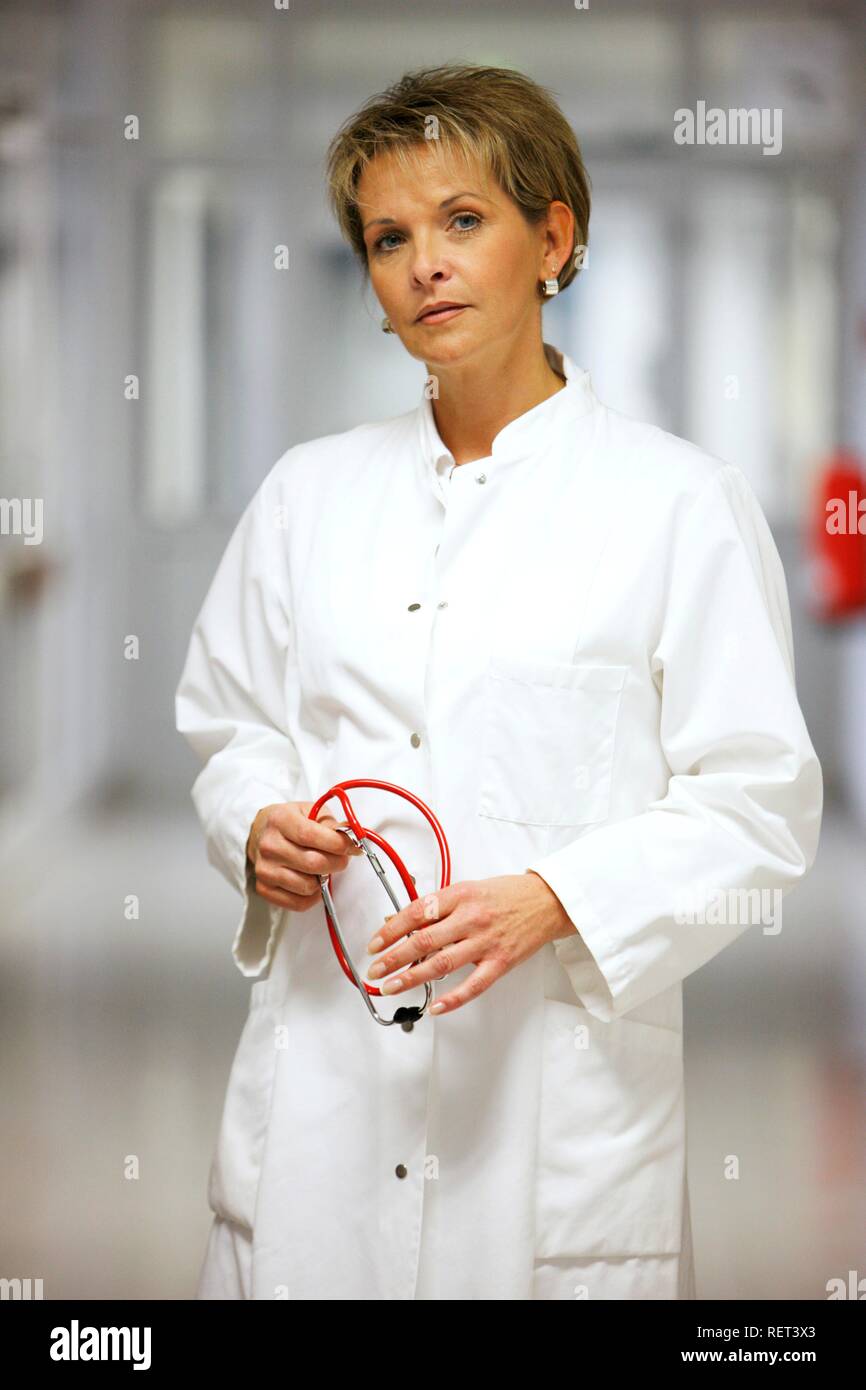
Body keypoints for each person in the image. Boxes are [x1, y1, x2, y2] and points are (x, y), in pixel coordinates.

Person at [175, 64, 823, 1300]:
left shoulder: (673, 503)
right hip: (325, 1090)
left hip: (555, 1115)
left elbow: (755, 798)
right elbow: (233, 726)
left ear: (553, 239)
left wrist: (557, 897)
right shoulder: (307, 496)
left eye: (462, 221)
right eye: (387, 237)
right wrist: (250, 818)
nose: (425, 263)